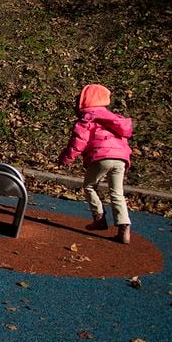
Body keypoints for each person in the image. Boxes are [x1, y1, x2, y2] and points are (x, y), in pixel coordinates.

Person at [59, 83, 135, 244]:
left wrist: (67, 158)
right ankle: (124, 227)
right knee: (117, 193)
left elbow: (79, 141)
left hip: (102, 156)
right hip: (120, 158)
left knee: (89, 186)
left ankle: (99, 217)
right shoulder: (114, 119)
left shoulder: (87, 119)